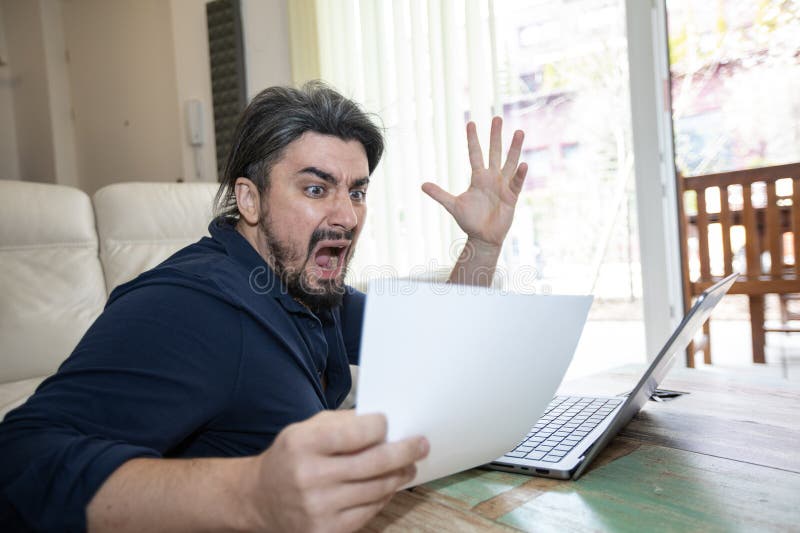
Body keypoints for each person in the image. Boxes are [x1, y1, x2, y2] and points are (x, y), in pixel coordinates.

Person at [0, 82, 528, 533]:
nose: (346, 216)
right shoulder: (191, 306)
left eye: (358, 192)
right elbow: (19, 459)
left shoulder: (308, 288)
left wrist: (482, 245)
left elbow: (436, 346)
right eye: (316, 188)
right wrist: (251, 494)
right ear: (249, 200)